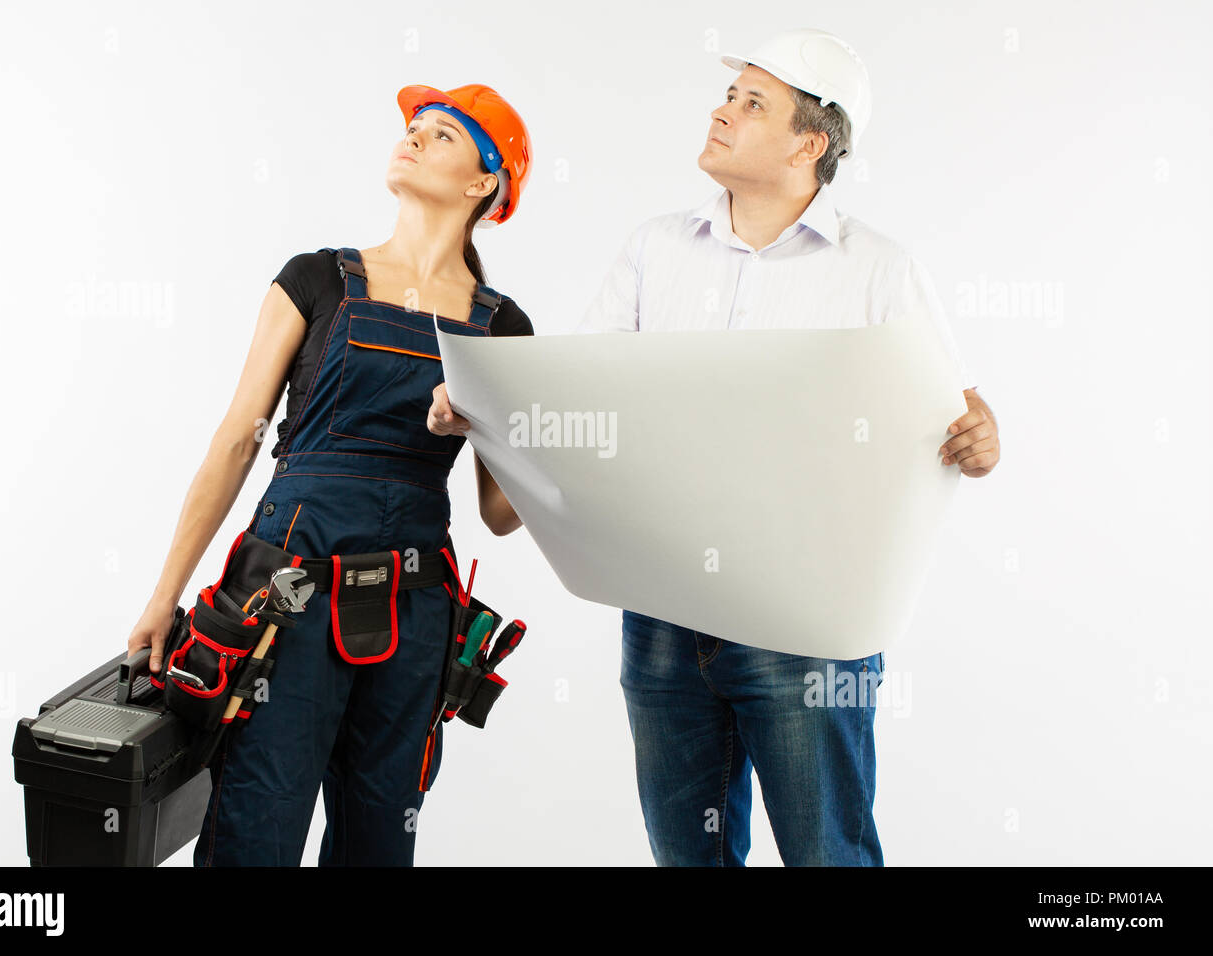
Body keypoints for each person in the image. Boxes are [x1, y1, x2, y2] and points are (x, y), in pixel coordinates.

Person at [432, 28, 1001, 866]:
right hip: (661, 616)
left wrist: (981, 434)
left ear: (811, 141)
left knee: (828, 854)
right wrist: (481, 409)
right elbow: (577, 394)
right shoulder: (655, 249)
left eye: (752, 102)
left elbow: (948, 408)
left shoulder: (878, 268)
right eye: (730, 96)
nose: (722, 111)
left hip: (807, 627)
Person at [125, 82, 536, 866]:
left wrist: (491, 420)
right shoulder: (315, 278)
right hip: (286, 595)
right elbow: (234, 443)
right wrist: (163, 593)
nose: (413, 137)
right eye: (414, 126)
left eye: (441, 134)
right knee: (256, 822)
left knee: (381, 833)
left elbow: (501, 512)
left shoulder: (502, 328)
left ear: (483, 184)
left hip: (416, 613)